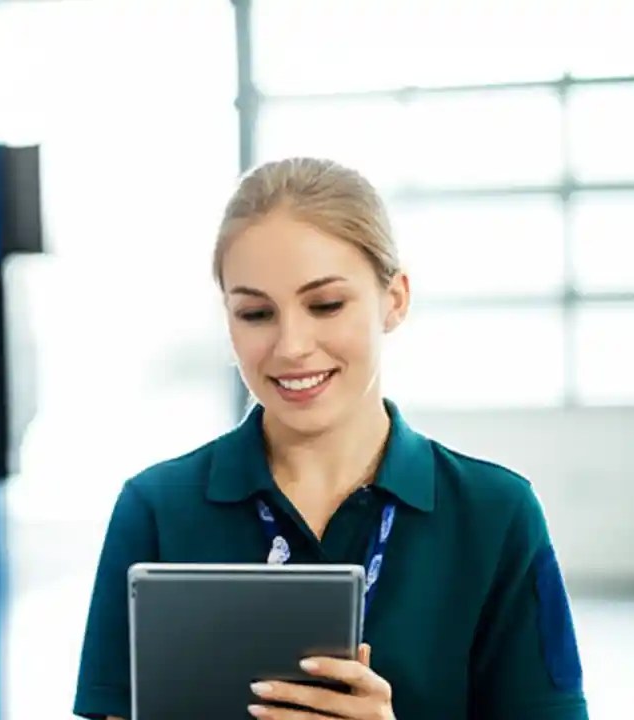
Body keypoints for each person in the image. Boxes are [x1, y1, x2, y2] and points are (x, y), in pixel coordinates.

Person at [73, 157, 588, 720]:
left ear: (395, 300)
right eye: (255, 312)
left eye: (325, 305)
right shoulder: (155, 509)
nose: (291, 344)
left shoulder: (496, 514)